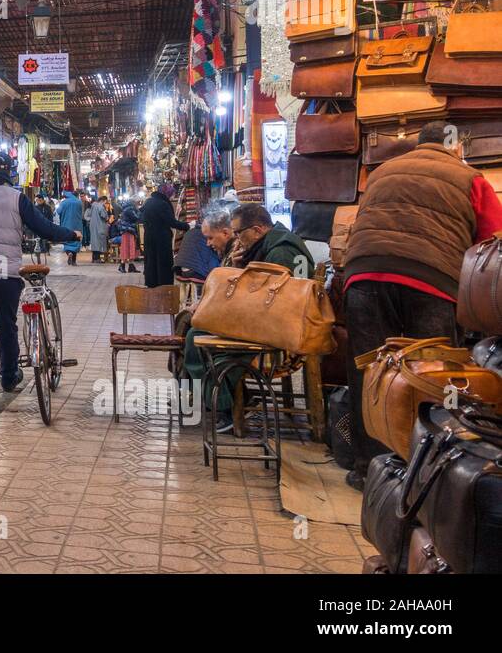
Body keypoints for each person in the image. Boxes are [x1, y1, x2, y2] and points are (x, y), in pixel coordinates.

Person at [342, 120, 502, 489]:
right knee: (435, 374)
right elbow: (489, 242)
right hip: (431, 280)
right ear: (457, 146)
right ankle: (429, 471)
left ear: (417, 144)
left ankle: (368, 468)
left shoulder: (382, 172)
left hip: (365, 274)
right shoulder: (468, 177)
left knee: (370, 371)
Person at [0, 154, 79, 408]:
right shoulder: (16, 197)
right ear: (8, 173)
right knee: (6, 325)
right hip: (3, 269)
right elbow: (43, 228)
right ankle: (9, 376)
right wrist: (71, 234)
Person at [183, 202, 314, 432]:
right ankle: (217, 401)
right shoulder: (269, 245)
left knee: (199, 336)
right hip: (269, 323)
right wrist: (238, 265)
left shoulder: (280, 251)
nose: (236, 238)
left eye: (238, 233)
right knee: (195, 330)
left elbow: (270, 300)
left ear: (258, 229)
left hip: (279, 331)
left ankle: (224, 407)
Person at [141, 184, 190, 287]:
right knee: (163, 262)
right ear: (166, 193)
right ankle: (164, 285)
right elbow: (171, 222)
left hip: (148, 237)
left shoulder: (148, 202)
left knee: (151, 260)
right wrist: (187, 226)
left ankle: (151, 283)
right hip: (161, 238)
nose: (172, 197)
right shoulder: (162, 204)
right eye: (172, 194)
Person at [54, 188, 84, 265]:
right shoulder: (79, 202)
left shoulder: (64, 203)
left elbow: (58, 211)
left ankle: (69, 253)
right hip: (77, 225)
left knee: (67, 241)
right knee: (76, 240)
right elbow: (81, 213)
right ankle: (74, 261)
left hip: (66, 224)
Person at [116, 200, 141, 273]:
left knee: (129, 247)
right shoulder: (130, 210)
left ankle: (130, 266)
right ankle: (122, 265)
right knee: (127, 247)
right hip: (128, 230)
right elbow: (136, 218)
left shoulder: (126, 209)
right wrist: (139, 211)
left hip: (127, 230)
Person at [88, 195, 110, 263]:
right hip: (99, 226)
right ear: (103, 200)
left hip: (93, 226)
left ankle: (94, 258)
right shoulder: (100, 206)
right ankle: (97, 259)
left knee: (94, 242)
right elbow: (104, 216)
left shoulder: (93, 206)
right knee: (99, 243)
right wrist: (107, 217)